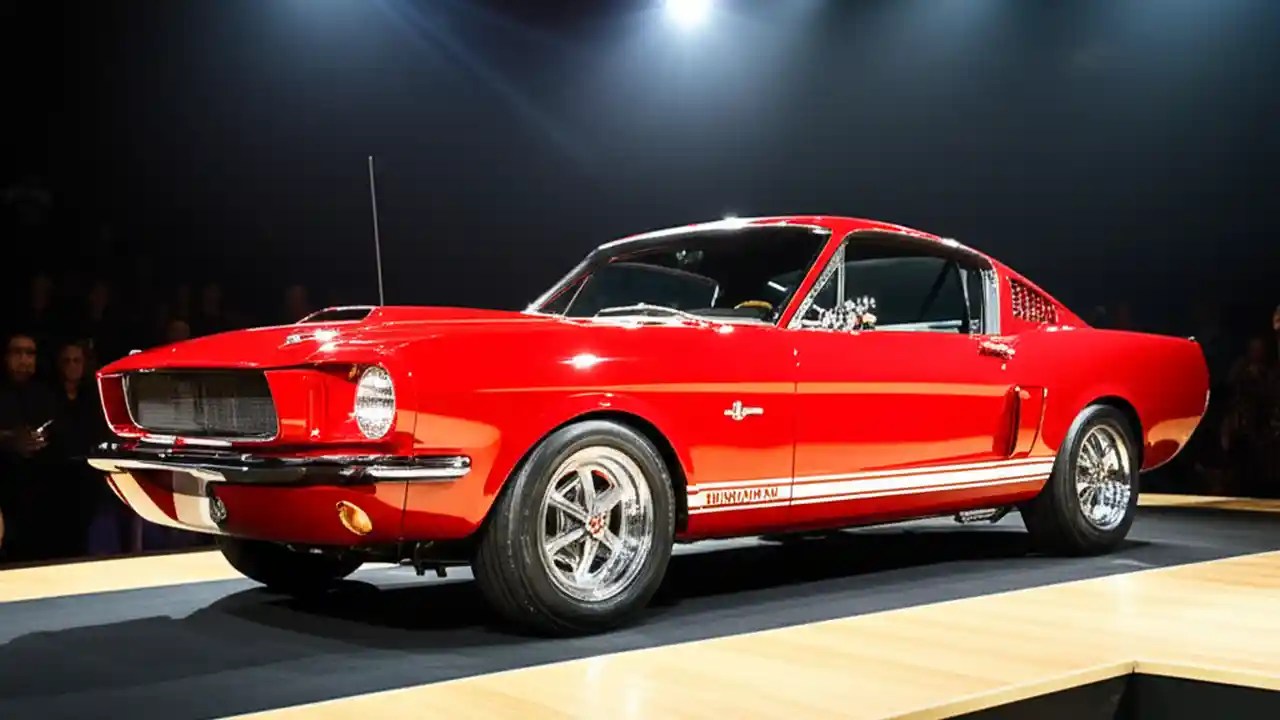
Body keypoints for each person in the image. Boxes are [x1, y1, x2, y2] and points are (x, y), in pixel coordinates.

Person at [0, 332, 57, 563]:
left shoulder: (45, 393)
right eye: (17, 353)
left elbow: (58, 428)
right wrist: (10, 439)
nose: (24, 360)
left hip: (38, 491)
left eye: (29, 353)